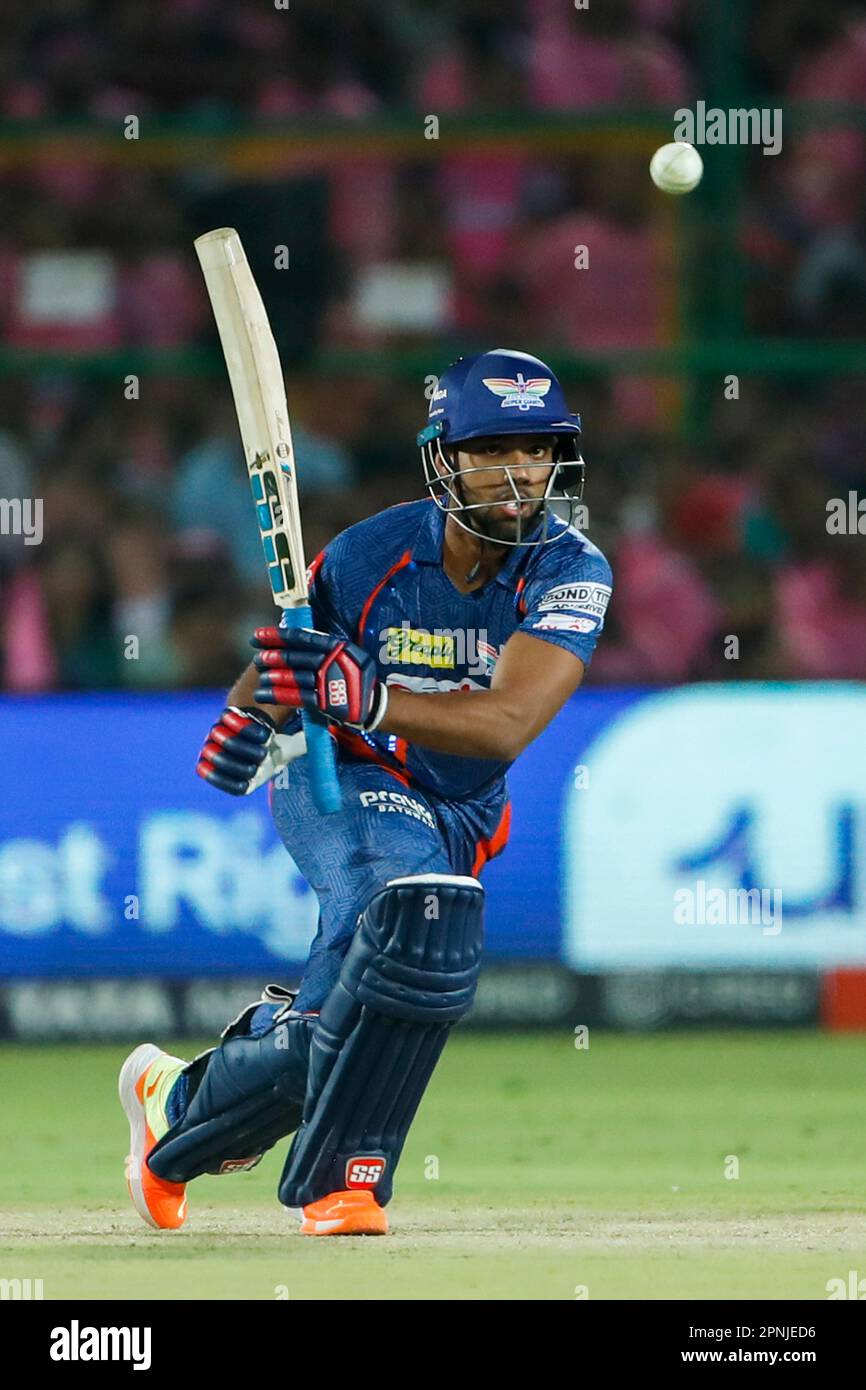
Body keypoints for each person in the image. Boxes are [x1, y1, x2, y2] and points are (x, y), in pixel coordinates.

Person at [118, 348, 613, 1236]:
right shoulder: (368, 553)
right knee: (417, 918)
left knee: (328, 1028)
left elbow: (505, 725)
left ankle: (173, 1107)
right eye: (492, 448)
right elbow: (288, 658)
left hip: (459, 808)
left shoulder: (572, 570)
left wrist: (375, 692)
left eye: (538, 450)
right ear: (444, 457)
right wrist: (247, 723)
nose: (519, 471)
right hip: (342, 778)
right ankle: (343, 1184)